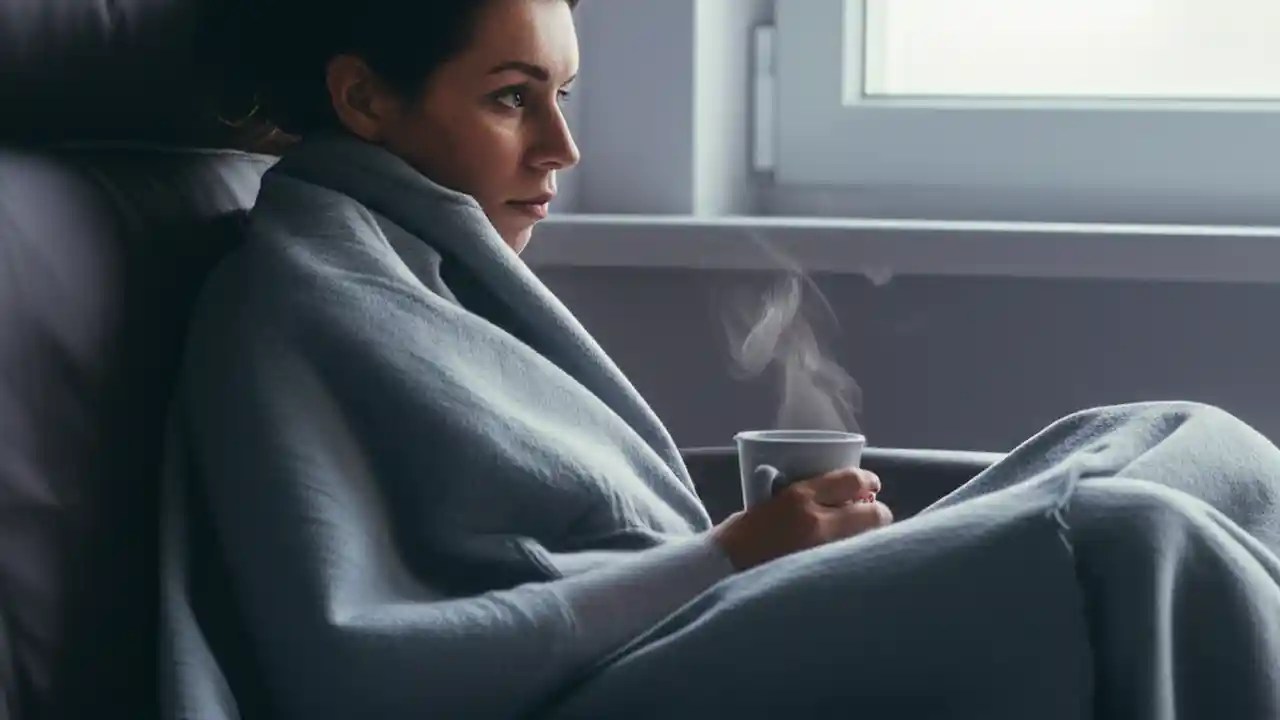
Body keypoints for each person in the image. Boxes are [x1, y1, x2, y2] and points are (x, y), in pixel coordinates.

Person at [162, 1, 1280, 718]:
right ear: (361, 97)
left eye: (561, 95)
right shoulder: (289, 302)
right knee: (1129, 536)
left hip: (691, 619)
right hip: (600, 687)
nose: (561, 148)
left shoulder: (442, 271)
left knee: (1188, 441)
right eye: (511, 98)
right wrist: (725, 558)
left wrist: (755, 552)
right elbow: (352, 667)